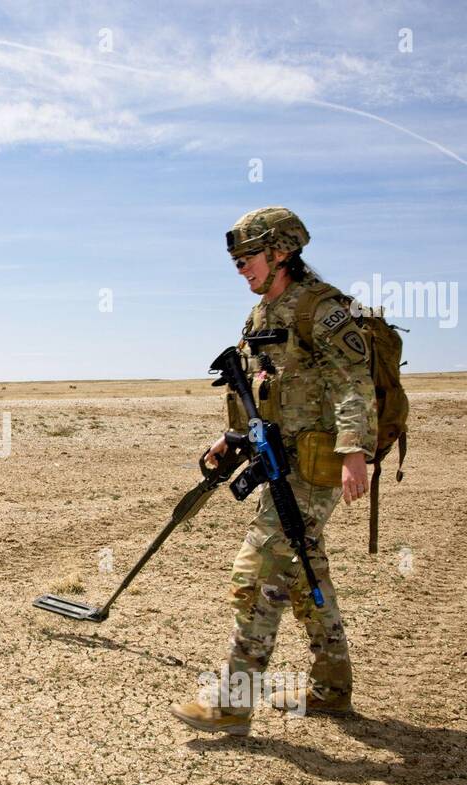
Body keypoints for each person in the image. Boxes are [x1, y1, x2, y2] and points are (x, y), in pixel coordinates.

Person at [171, 207, 377, 736]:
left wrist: (355, 450)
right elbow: (256, 385)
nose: (241, 269)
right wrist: (231, 437)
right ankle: (332, 690)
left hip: (315, 462)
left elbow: (354, 381)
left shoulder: (323, 309)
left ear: (281, 252)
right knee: (307, 571)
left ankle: (233, 701)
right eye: (236, 261)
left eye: (247, 259)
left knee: (259, 571)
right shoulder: (261, 315)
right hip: (276, 461)